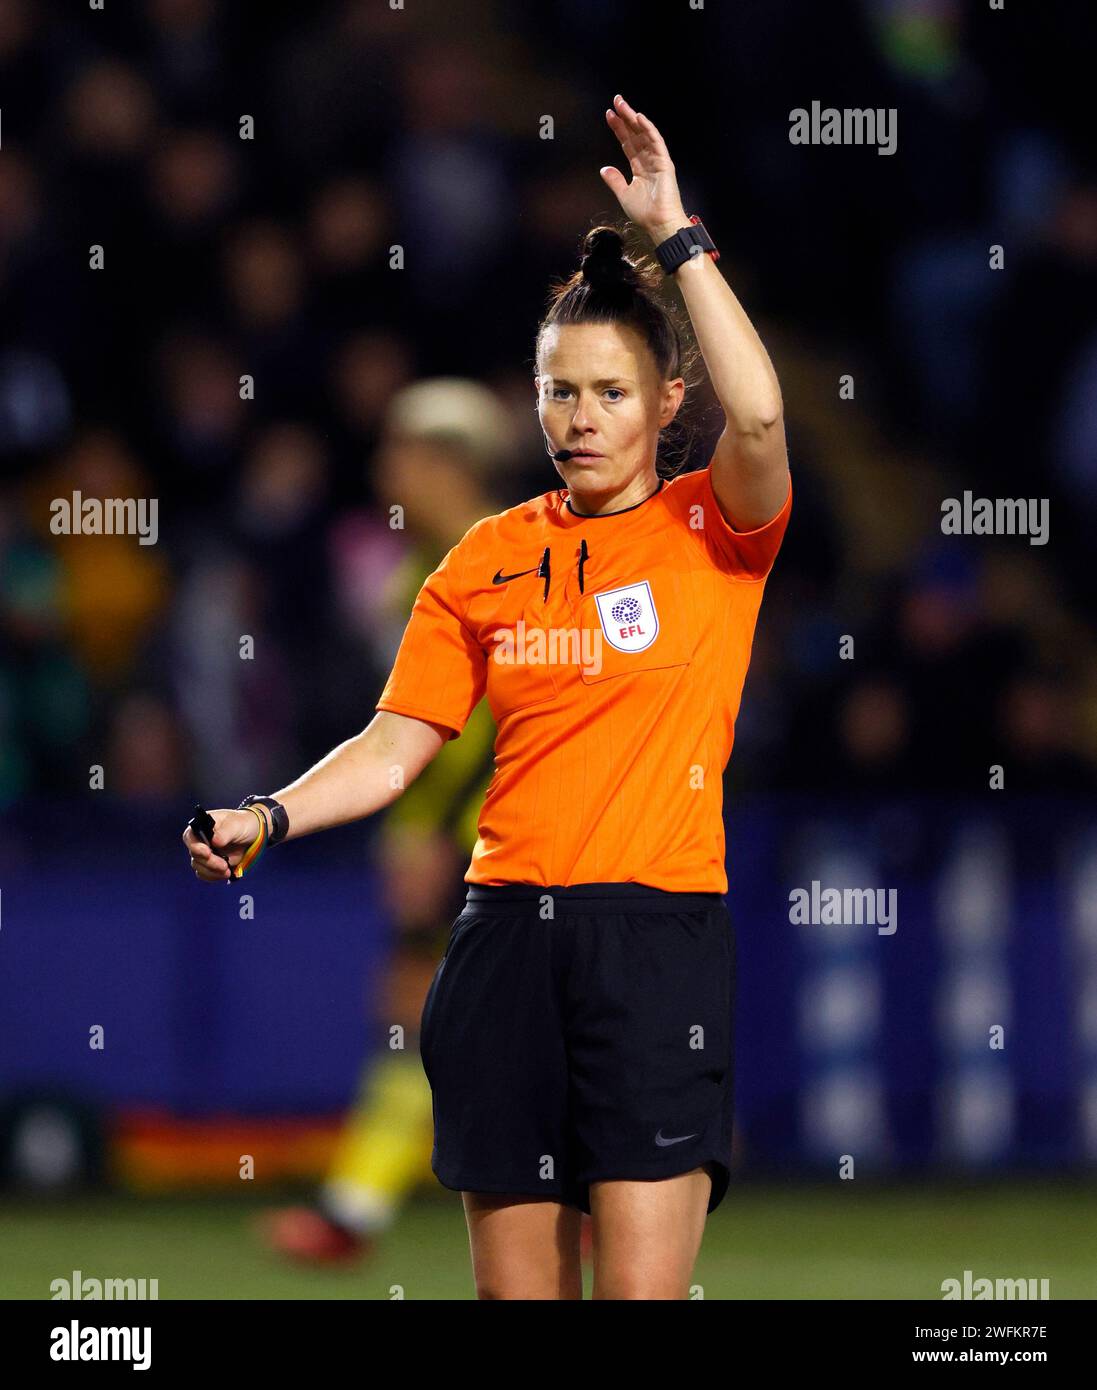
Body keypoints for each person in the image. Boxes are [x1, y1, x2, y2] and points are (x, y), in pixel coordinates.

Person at [182, 93, 791, 1299]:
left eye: (612, 393)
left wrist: (678, 238)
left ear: (669, 404)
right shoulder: (478, 559)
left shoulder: (712, 531)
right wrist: (270, 813)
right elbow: (396, 744)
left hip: (655, 942)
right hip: (504, 936)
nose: (580, 418)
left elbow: (764, 410)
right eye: (560, 392)